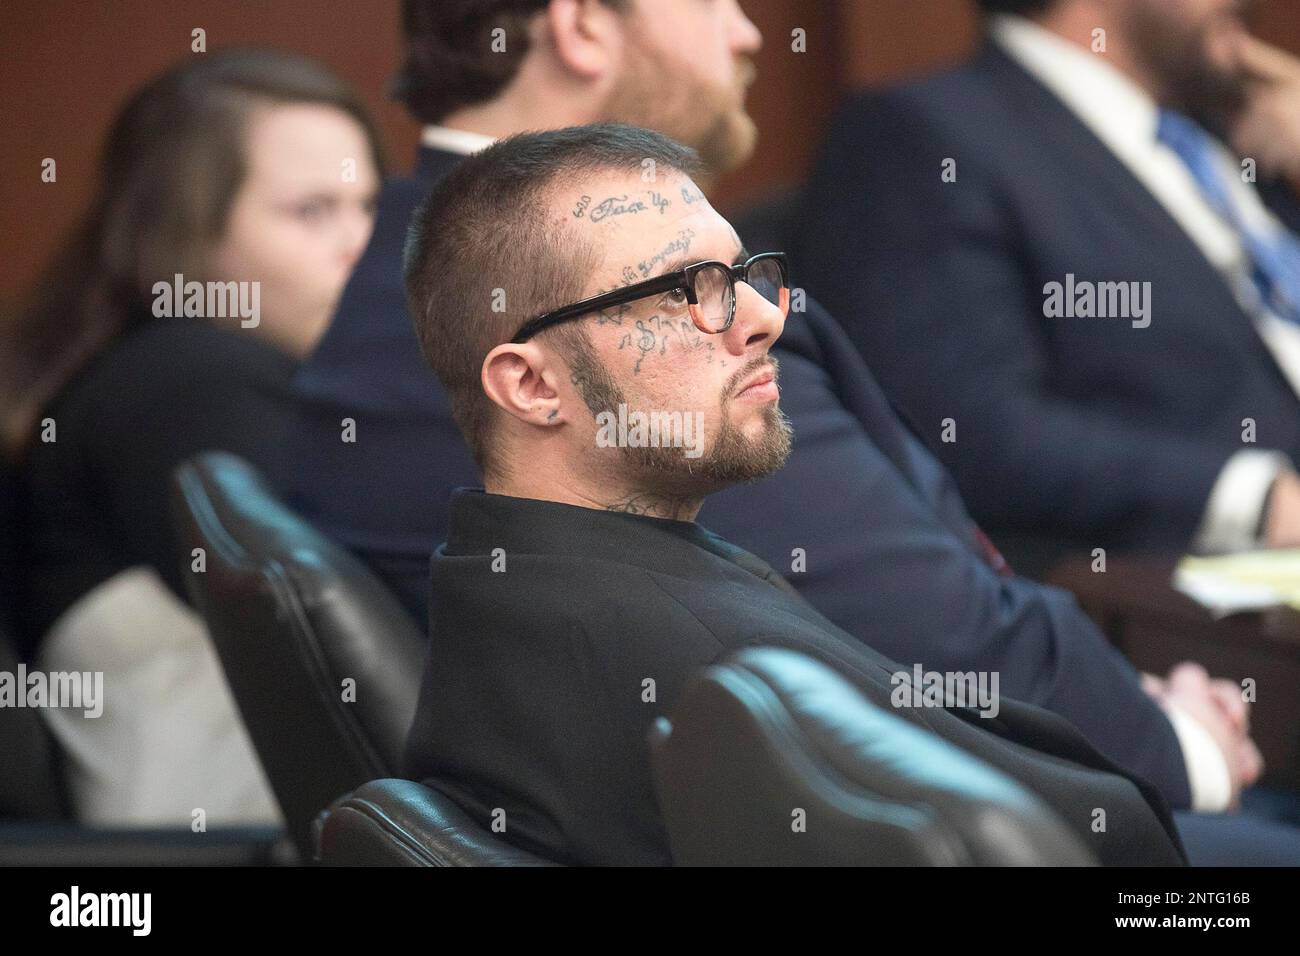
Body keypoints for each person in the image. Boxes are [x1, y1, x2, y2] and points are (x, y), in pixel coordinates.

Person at [283, 0, 1274, 832]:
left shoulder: (413, 284)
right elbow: (931, 643)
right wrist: (1181, 750)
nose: (753, 31)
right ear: (582, 24)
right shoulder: (502, 327)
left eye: (742, 276)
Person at [399, 123, 1194, 866]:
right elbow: (1115, 837)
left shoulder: (490, 579)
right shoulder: (715, 666)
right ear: (532, 384)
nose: (763, 319)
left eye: (746, 274)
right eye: (688, 289)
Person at [0, 49, 383, 825]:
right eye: (311, 211)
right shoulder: (188, 377)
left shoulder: (133, 369)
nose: (362, 246)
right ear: (186, 234)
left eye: (369, 206)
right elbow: (387, 614)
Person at [797, 0, 1300, 566]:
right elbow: (972, 428)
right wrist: (1259, 500)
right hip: (1173, 599)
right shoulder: (922, 135)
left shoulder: (1245, 130)